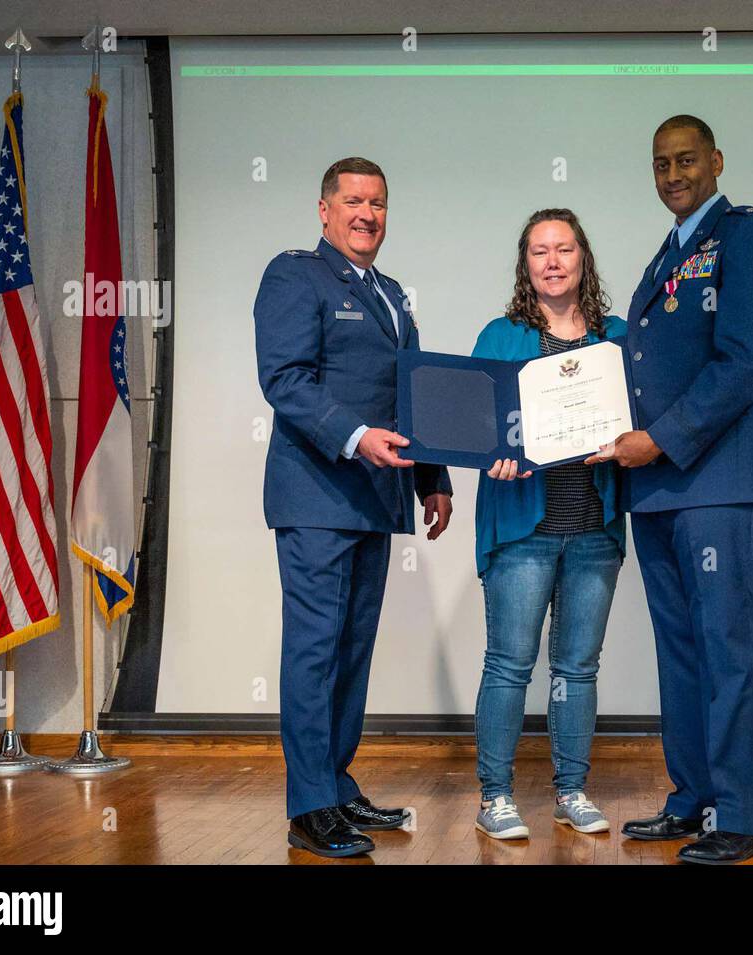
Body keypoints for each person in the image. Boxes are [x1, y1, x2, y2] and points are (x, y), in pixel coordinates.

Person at [585, 115, 753, 864]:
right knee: (680, 648)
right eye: (661, 163)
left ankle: (740, 814)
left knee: (727, 644)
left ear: (716, 161)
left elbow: (742, 363)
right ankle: (693, 797)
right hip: (659, 486)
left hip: (718, 477)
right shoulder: (666, 256)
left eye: (686, 160)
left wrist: (660, 438)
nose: (673, 174)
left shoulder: (746, 235)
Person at [253, 157, 454, 858]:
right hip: (315, 497)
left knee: (351, 650)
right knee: (314, 649)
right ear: (324, 210)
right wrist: (355, 434)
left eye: (378, 202)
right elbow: (284, 380)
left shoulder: (392, 294)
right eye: (353, 201)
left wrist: (435, 478)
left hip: (374, 498)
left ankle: (334, 784)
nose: (367, 213)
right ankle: (310, 804)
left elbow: (415, 389)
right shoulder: (294, 276)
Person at [469, 209, 627, 840]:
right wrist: (493, 459)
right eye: (540, 251)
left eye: (564, 249)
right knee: (510, 664)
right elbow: (476, 430)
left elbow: (637, 422)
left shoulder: (615, 337)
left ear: (582, 258)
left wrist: (627, 442)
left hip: (595, 529)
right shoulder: (499, 336)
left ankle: (571, 789)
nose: (553, 261)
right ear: (525, 264)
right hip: (522, 533)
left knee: (578, 668)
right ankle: (496, 796)